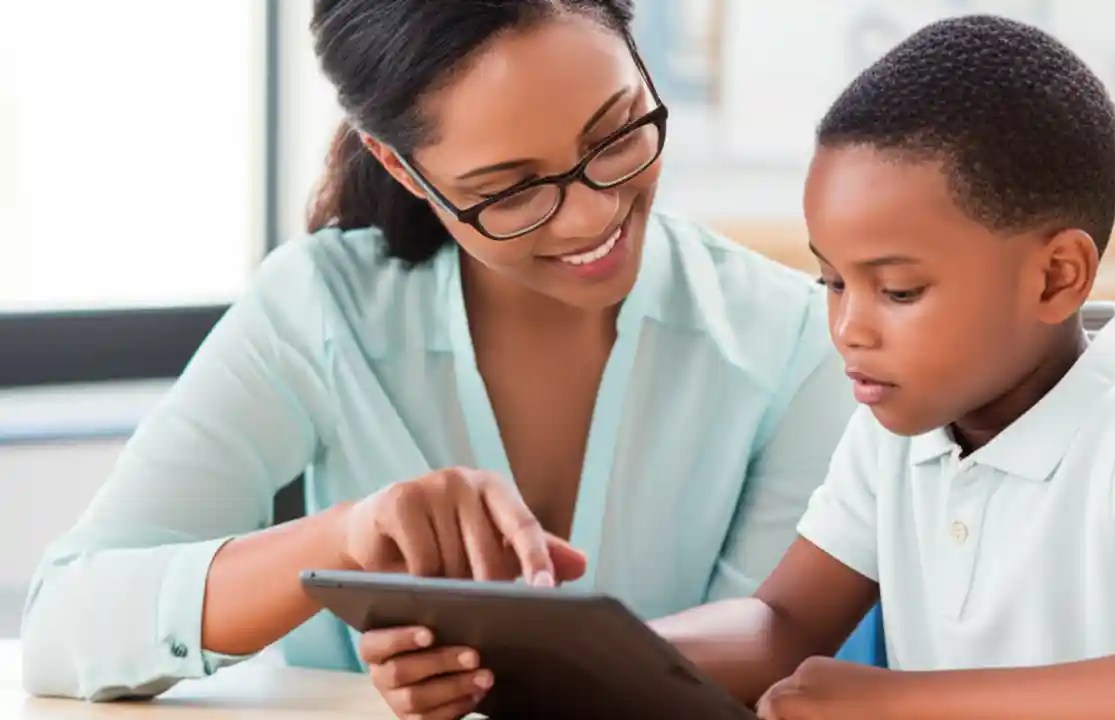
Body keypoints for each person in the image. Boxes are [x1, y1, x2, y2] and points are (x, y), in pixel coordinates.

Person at [20, 1, 853, 717]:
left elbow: (775, 646)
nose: (591, 216)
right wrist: (347, 539)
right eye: (512, 189)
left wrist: (506, 671)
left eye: (616, 132)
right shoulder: (320, 309)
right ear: (401, 166)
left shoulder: (789, 339)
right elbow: (64, 621)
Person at [656, 15, 1115, 719]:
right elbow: (782, 625)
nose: (849, 328)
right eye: (832, 282)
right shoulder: (892, 431)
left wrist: (898, 704)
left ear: (1054, 278)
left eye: (898, 291)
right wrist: (595, 650)